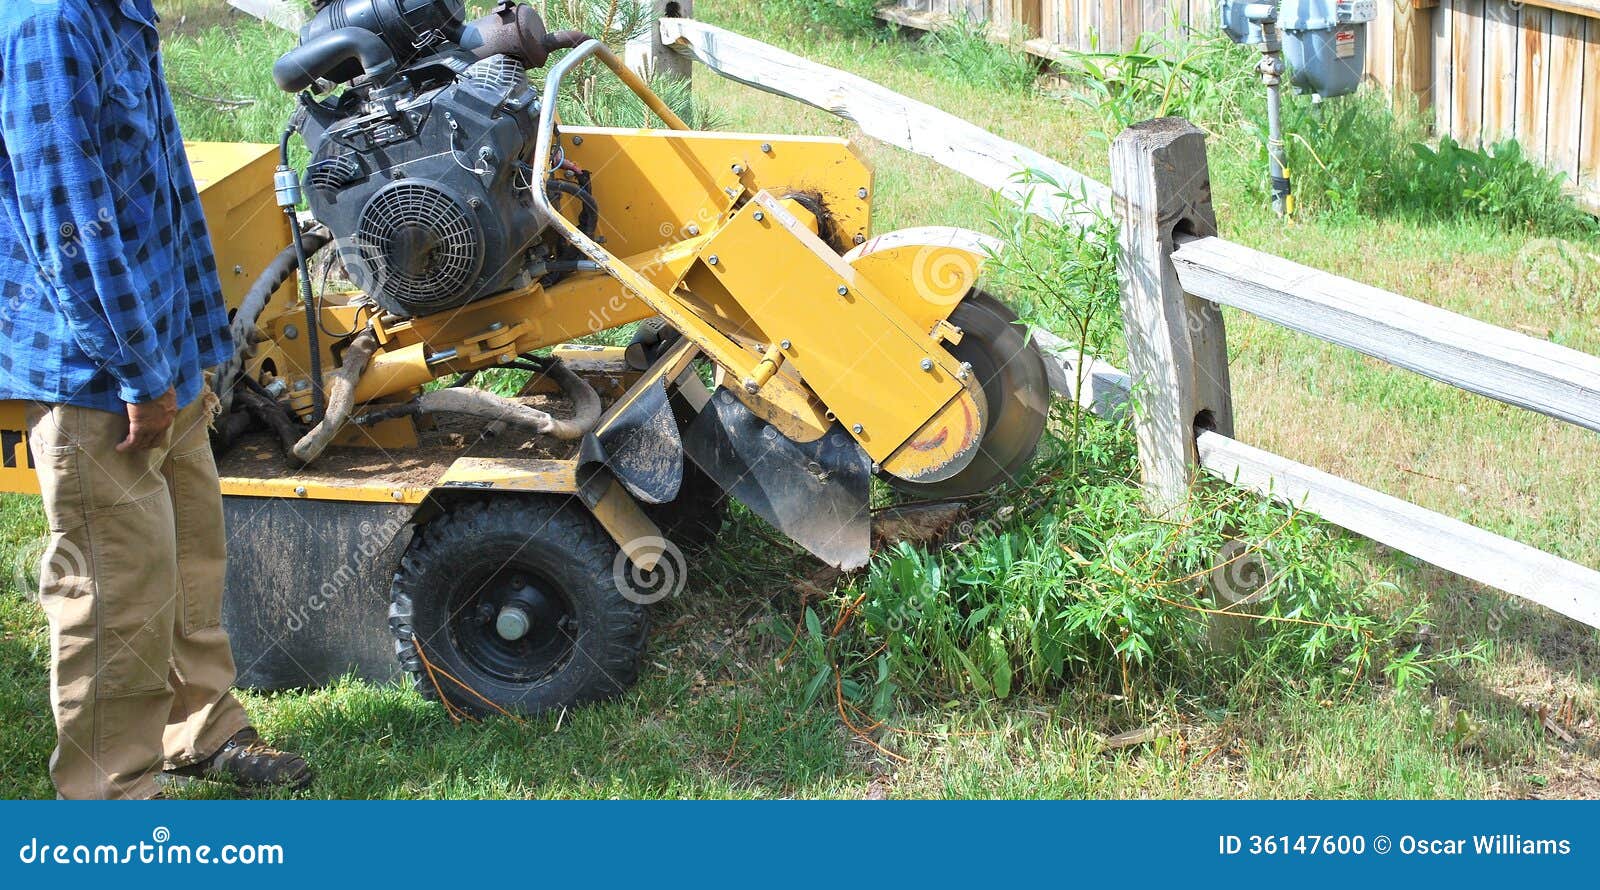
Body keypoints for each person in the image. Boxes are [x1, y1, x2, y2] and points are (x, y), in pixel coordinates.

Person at [0, 0, 312, 799]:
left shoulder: (124, 11)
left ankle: (201, 727)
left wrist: (202, 347)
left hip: (165, 350)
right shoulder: (51, 22)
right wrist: (139, 372)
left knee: (191, 552)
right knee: (115, 587)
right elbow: (72, 220)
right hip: (100, 370)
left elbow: (168, 191)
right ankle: (108, 796)